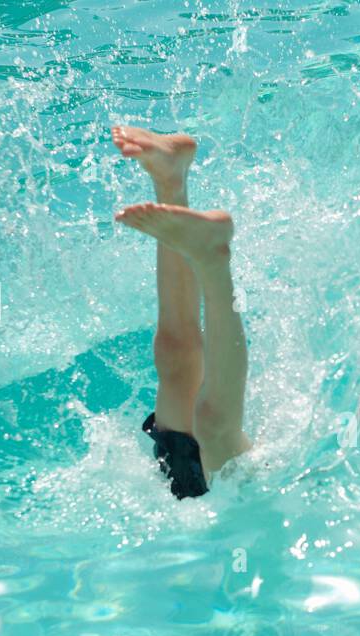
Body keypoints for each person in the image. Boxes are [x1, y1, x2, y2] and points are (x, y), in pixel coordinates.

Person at [111, 125, 252, 498]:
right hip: (242, 488)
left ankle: (170, 181)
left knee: (174, 351)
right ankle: (212, 259)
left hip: (186, 484)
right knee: (214, 425)